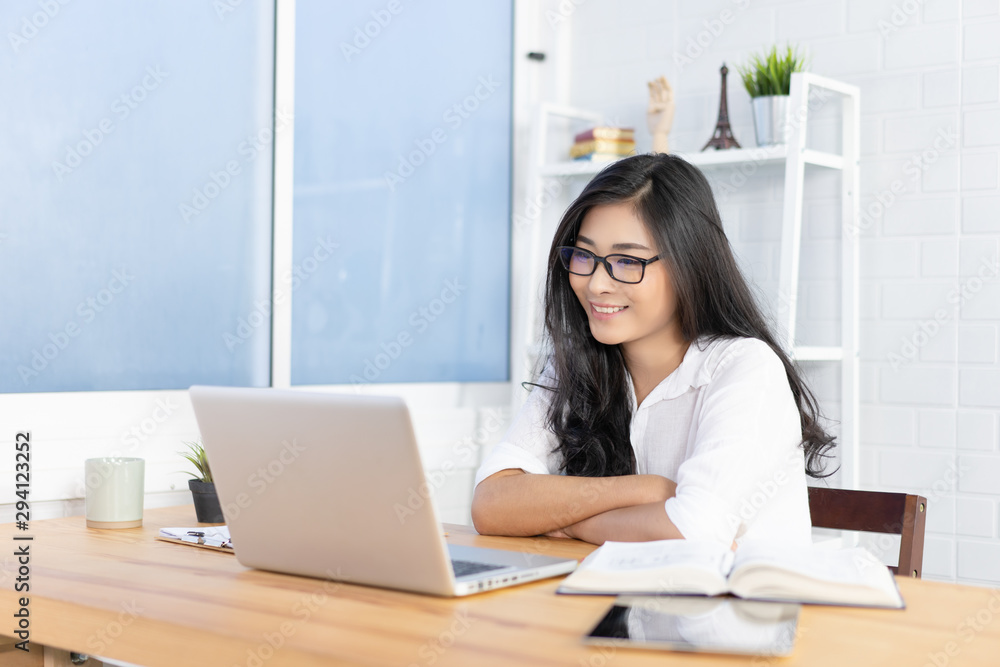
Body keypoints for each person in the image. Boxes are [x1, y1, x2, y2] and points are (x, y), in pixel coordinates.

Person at [471, 153, 835, 549]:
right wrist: (650, 490)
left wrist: (570, 523)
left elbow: (692, 530)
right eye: (584, 256)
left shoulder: (745, 368)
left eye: (626, 261)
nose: (596, 285)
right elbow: (491, 504)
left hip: (730, 609)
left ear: (689, 264)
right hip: (610, 606)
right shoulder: (577, 364)